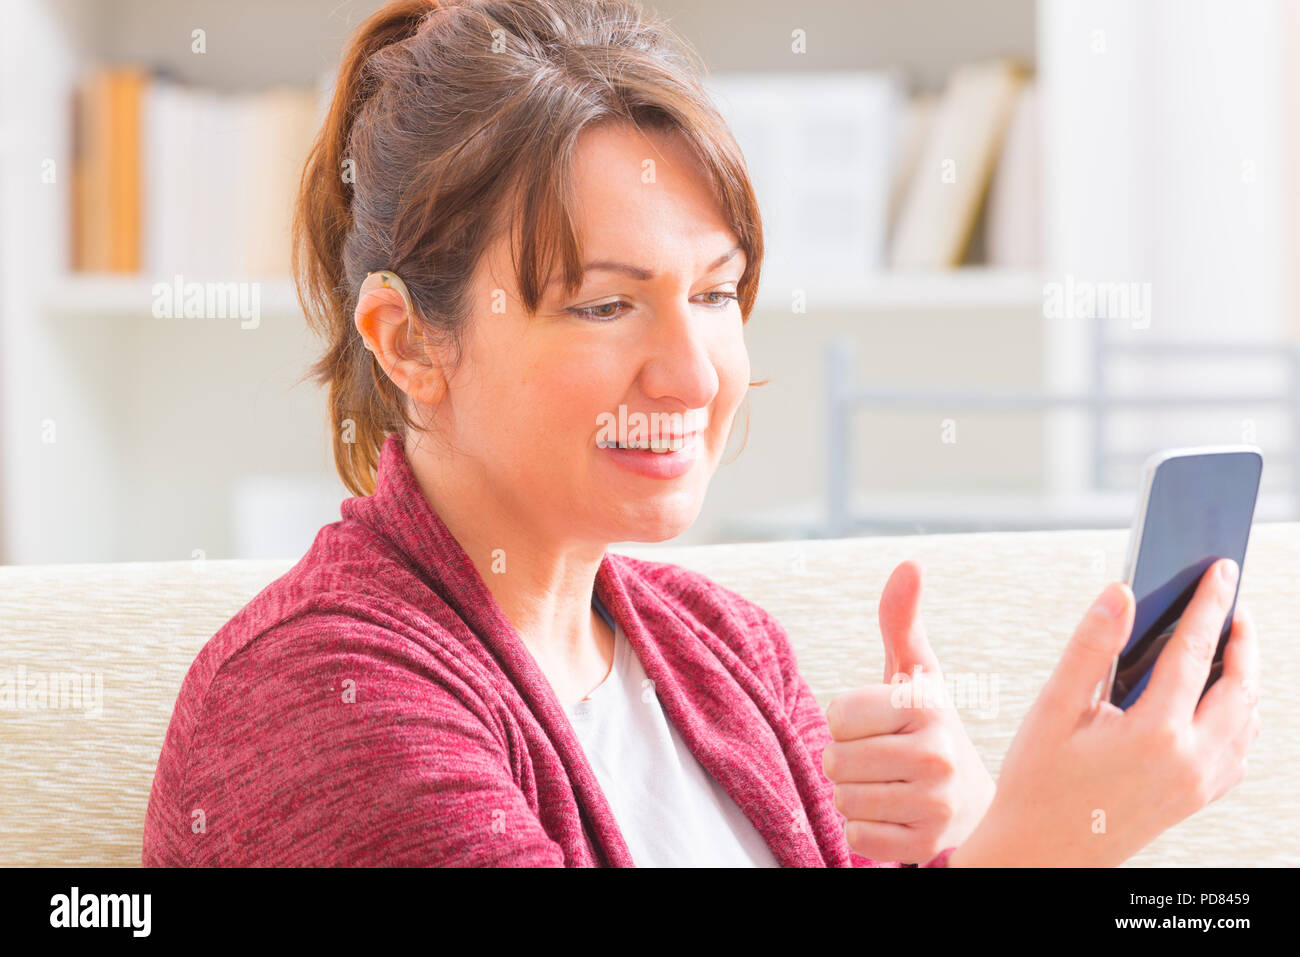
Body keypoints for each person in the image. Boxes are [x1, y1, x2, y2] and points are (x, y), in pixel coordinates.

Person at [142, 0, 1260, 867]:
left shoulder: (725, 652)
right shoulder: (314, 702)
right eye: (602, 303)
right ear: (406, 340)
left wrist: (967, 828)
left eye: (716, 294)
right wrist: (1042, 849)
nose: (690, 374)